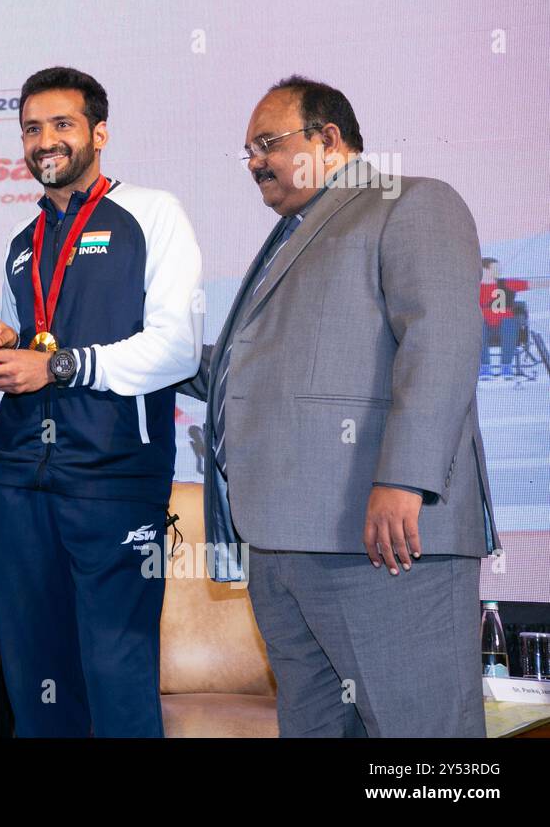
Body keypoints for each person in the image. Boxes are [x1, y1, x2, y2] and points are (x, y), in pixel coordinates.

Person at [177, 75, 498, 737]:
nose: (256, 163)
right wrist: (117, 355)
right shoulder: (293, 237)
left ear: (328, 139)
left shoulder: (411, 204)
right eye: (248, 152)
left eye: (268, 143)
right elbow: (244, 375)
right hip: (286, 549)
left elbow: (441, 341)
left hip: (381, 544)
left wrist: (403, 479)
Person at [0, 67, 203, 737]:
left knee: (117, 681)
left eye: (62, 124)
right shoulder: (21, 240)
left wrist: (60, 366)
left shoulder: (152, 213)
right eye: (32, 128)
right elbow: (27, 351)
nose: (46, 140)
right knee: (37, 687)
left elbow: (179, 348)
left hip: (114, 485)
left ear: (99, 131)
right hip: (18, 487)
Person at [479, 257, 546, 379]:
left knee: (509, 322)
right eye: (495, 268)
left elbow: (531, 284)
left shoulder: (506, 283)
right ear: (484, 269)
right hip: (484, 328)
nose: (499, 270)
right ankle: (485, 367)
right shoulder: (473, 287)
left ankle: (506, 366)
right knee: (478, 325)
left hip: (506, 327)